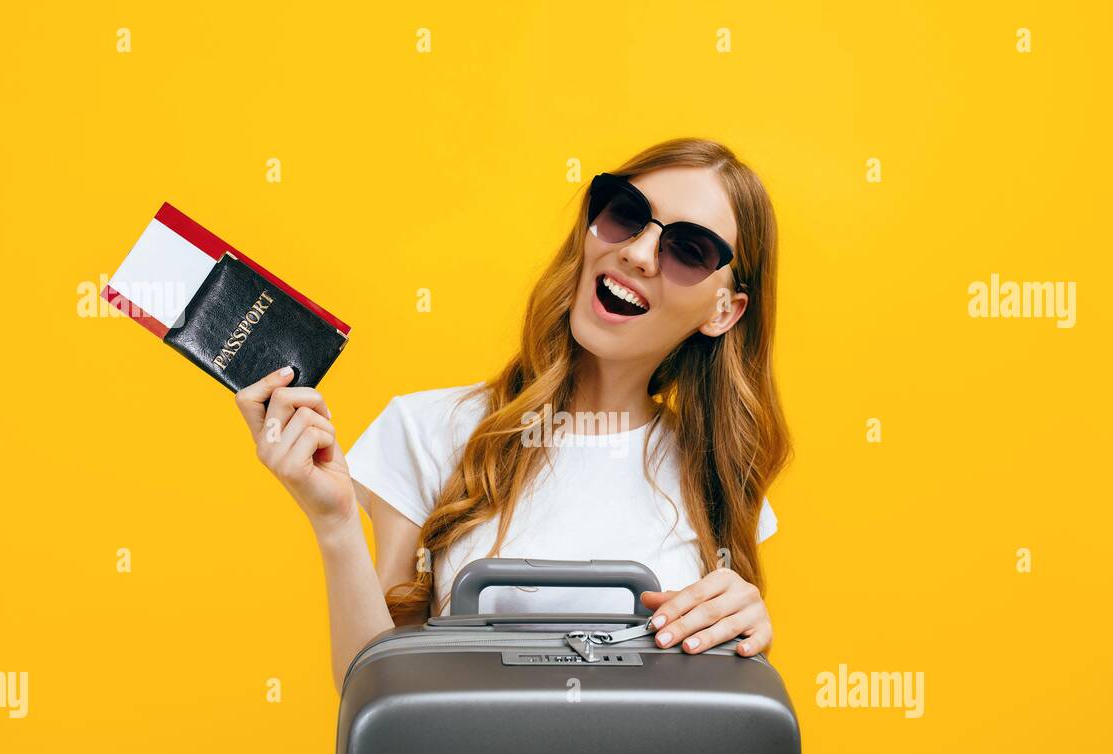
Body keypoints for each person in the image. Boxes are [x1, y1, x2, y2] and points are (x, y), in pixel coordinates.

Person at [235, 138, 792, 693]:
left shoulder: (717, 471)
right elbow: (376, 698)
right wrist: (335, 528)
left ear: (725, 311)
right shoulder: (427, 429)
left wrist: (744, 645)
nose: (639, 254)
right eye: (626, 214)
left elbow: (714, 714)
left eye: (689, 250)